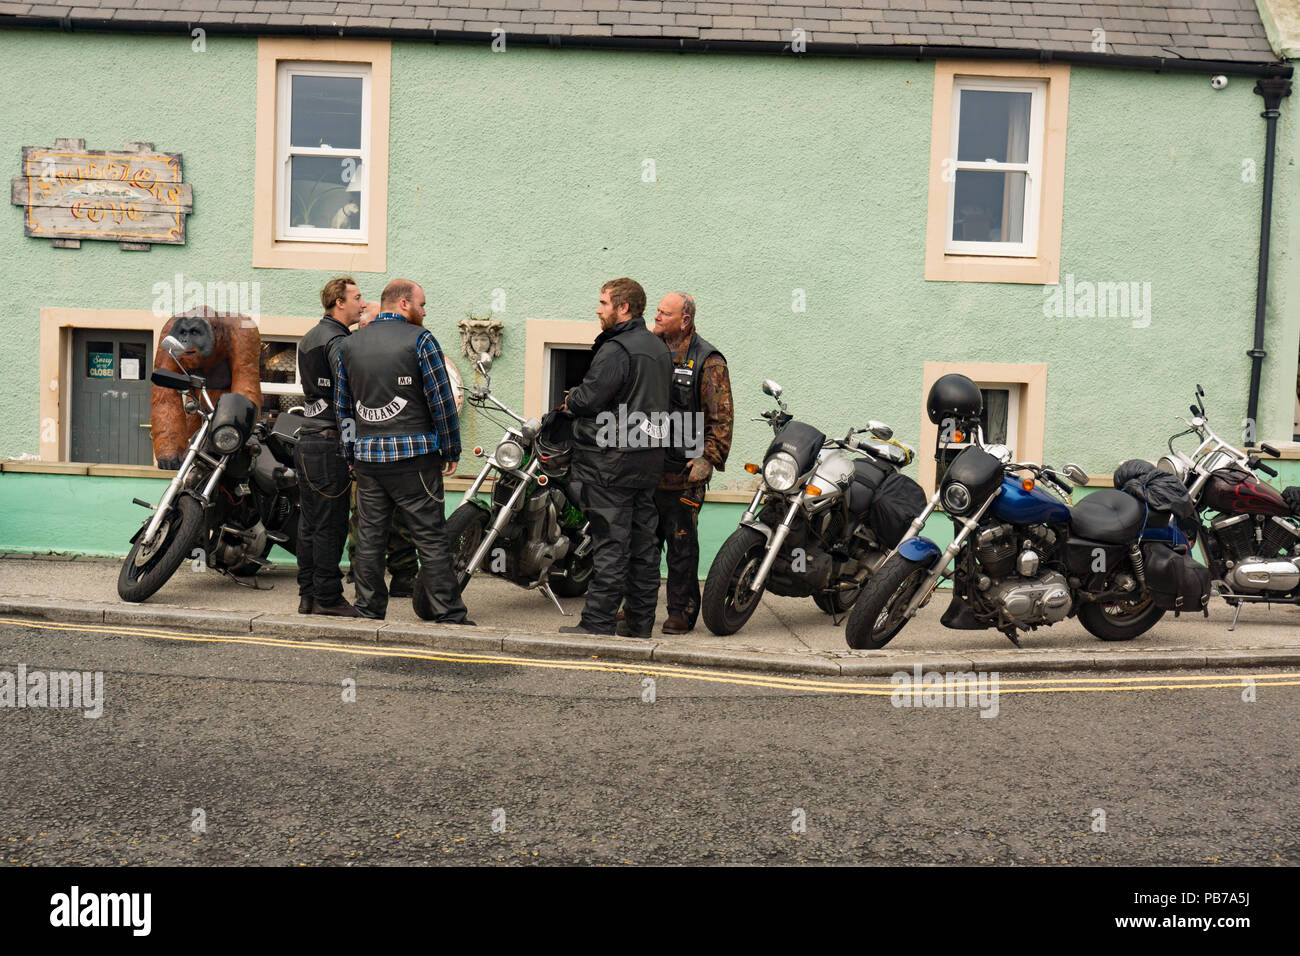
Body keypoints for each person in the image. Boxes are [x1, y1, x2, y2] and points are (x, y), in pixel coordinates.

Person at [334, 279, 472, 625]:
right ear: (405, 304)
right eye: (422, 305)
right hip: (416, 458)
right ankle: (448, 612)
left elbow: (344, 408)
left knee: (369, 538)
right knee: (430, 537)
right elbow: (441, 401)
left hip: (368, 459)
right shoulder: (421, 340)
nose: (425, 311)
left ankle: (368, 609)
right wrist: (451, 448)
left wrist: (351, 453)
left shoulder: (350, 346)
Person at [560, 278, 671, 638]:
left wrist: (571, 398)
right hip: (647, 461)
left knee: (611, 544)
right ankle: (640, 625)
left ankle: (597, 623)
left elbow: (590, 399)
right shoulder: (657, 348)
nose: (598, 308)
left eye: (604, 303)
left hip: (610, 461)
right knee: (643, 548)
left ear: (624, 308)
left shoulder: (616, 349)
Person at [648, 291, 733, 634]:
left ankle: (681, 611)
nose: (656, 317)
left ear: (684, 319)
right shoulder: (650, 351)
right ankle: (635, 605)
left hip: (684, 473)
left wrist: (709, 458)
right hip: (648, 468)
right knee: (641, 542)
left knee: (681, 543)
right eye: (656, 311)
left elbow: (721, 417)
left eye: (663, 313)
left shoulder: (707, 359)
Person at [293, 277, 365, 617]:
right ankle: (327, 597)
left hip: (306, 439)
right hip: (330, 443)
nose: (362, 304)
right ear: (339, 302)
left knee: (309, 523)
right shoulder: (338, 342)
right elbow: (345, 398)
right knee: (331, 526)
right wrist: (351, 448)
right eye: (357, 297)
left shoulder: (309, 337)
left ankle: (307, 595)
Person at [342, 303, 418, 597]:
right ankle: (363, 576)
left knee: (399, 519)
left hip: (395, 451)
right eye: (363, 322)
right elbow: (345, 407)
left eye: (369, 321)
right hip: (366, 453)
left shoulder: (398, 352)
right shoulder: (352, 353)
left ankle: (403, 575)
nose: (366, 327)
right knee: (362, 518)